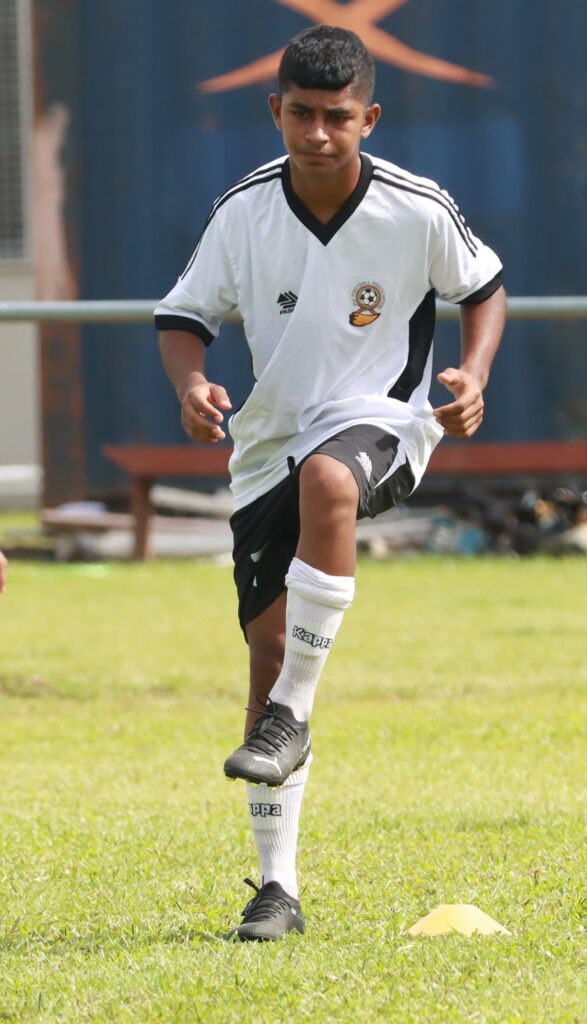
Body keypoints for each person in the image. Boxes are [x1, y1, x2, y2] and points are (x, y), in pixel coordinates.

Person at [156, 25, 505, 942]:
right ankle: (276, 889)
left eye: (337, 117)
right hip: (261, 449)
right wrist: (192, 385)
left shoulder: (414, 206)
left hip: (381, 424)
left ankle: (292, 716)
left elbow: (485, 287)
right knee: (266, 658)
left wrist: (472, 375)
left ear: (369, 117)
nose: (317, 133)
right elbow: (184, 316)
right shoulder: (242, 213)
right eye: (301, 115)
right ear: (275, 111)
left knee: (328, 480)